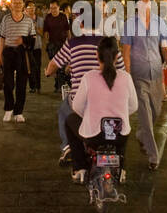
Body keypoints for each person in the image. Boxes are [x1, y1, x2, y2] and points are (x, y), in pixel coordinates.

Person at [48, 18, 126, 164]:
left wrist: (48, 72)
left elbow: (53, 65)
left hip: (82, 102)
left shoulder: (73, 43)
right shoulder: (109, 43)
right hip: (114, 116)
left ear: (81, 24)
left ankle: (68, 148)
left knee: (65, 112)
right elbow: (122, 71)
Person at [67, 36, 138, 184]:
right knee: (123, 125)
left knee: (70, 120)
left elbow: (77, 107)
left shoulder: (89, 77)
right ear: (117, 57)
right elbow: (133, 106)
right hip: (119, 137)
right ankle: (121, 168)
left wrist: (88, 116)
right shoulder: (126, 78)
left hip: (94, 137)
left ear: (96, 55)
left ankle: (80, 167)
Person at [121, 0, 167, 170]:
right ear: (136, 4)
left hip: (156, 74)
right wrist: (127, 76)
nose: (146, 3)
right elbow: (125, 52)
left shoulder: (159, 22)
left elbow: (165, 49)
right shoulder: (129, 24)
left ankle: (142, 133)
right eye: (143, 0)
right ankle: (153, 155)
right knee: (144, 112)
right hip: (138, 74)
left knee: (155, 111)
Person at [0, 0, 36, 121]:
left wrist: (24, 40)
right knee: (8, 82)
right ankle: (8, 108)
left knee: (21, 83)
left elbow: (33, 39)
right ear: (11, 5)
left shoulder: (28, 20)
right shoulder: (6, 19)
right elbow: (2, 38)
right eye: (15, 3)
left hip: (22, 54)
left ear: (23, 4)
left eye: (20, 3)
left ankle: (19, 112)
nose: (18, 5)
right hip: (8, 52)